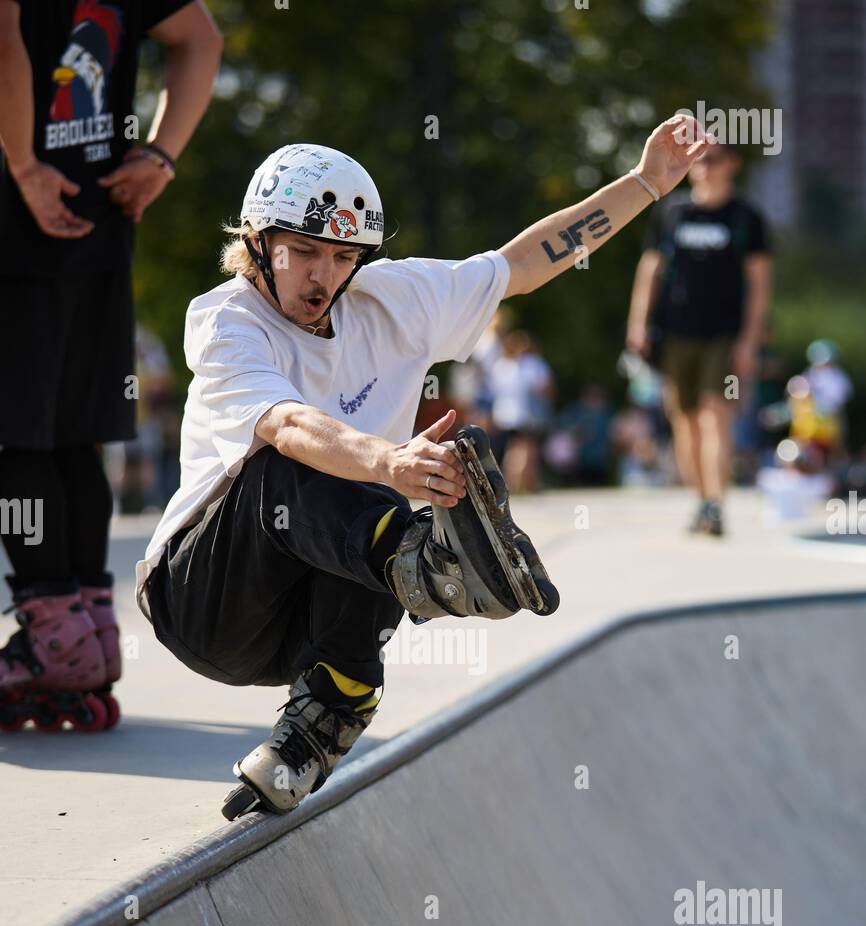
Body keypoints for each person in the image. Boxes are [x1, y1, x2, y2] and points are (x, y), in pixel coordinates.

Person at [135, 118, 710, 820]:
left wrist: (645, 183)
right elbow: (286, 423)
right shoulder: (228, 321)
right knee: (306, 465)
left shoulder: (394, 299)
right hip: (203, 600)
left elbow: (524, 265)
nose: (322, 277)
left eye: (342, 257)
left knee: (388, 496)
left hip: (295, 627)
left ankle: (325, 715)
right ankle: (420, 563)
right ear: (257, 241)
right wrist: (388, 457)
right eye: (303, 253)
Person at [0, 0, 221, 731]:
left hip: (20, 226)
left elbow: (4, 41)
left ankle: (55, 642)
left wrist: (24, 163)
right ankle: (87, 633)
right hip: (101, 228)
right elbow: (201, 39)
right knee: (72, 437)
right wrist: (161, 156)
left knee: (17, 440)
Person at [626, 140, 772, 536]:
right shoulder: (672, 211)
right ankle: (701, 500)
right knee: (683, 420)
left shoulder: (746, 217)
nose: (703, 167)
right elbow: (650, 268)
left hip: (724, 334)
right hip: (674, 333)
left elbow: (759, 284)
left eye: (712, 160)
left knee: (714, 415)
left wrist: (749, 341)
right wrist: (638, 324)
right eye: (697, 160)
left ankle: (716, 505)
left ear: (732, 164)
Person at [489, 330, 555, 493]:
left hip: (503, 415)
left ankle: (521, 482)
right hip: (525, 415)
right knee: (526, 449)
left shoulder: (499, 366)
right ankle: (518, 482)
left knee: (513, 449)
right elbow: (545, 388)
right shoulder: (531, 365)